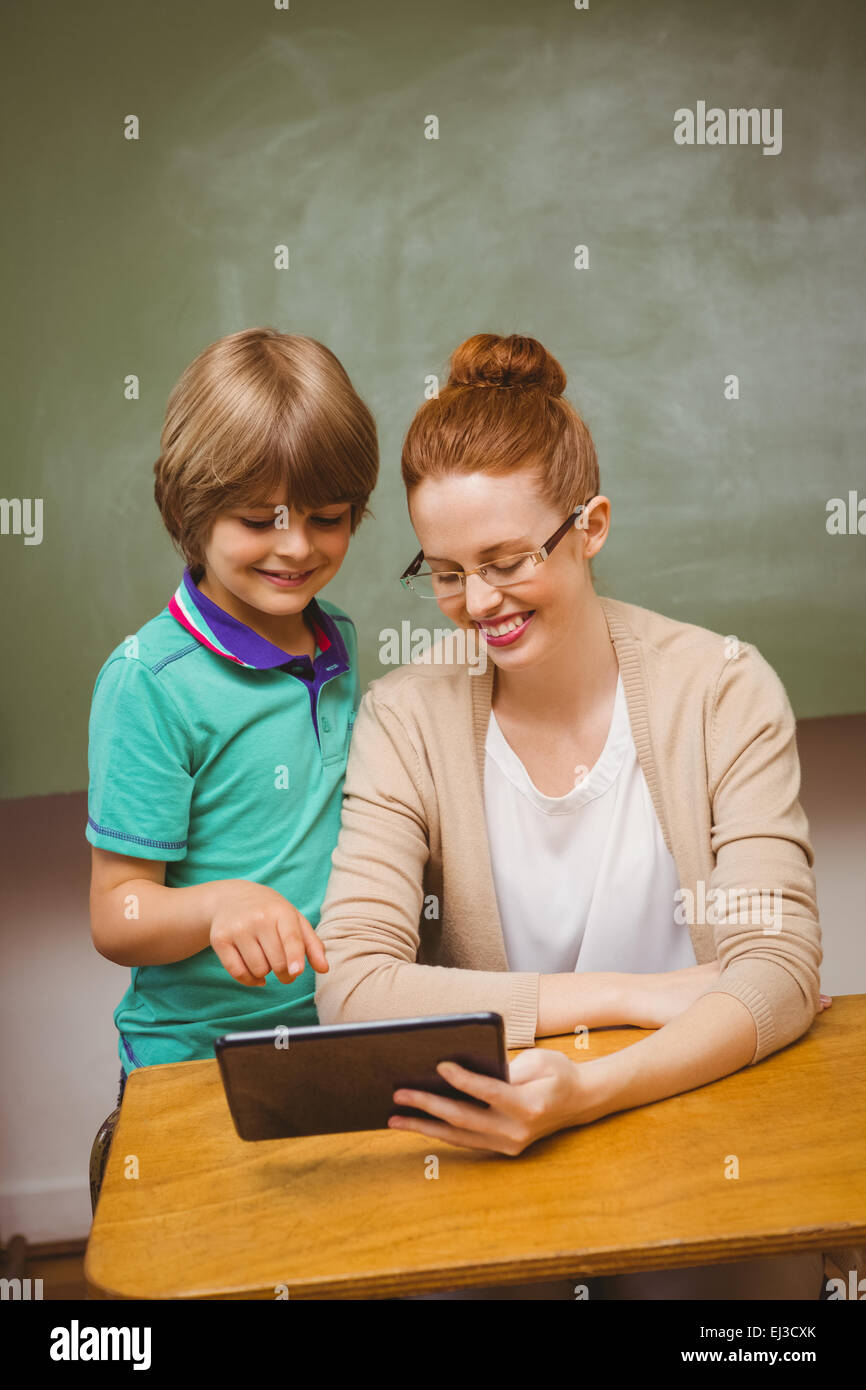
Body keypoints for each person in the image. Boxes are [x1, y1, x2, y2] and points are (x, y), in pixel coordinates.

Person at [314, 331, 831, 1299]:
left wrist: (586, 1090)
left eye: (507, 559)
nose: (477, 601)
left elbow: (778, 970)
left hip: (698, 1120)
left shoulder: (720, 689)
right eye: (445, 571)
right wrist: (630, 995)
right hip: (495, 1161)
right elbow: (349, 992)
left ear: (589, 525)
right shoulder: (403, 717)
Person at [87, 327, 378, 1107]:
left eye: (328, 517)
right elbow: (119, 914)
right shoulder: (148, 682)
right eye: (259, 520)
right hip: (196, 1062)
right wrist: (222, 902)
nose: (297, 548)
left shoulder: (338, 636)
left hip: (338, 1029)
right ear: (192, 510)